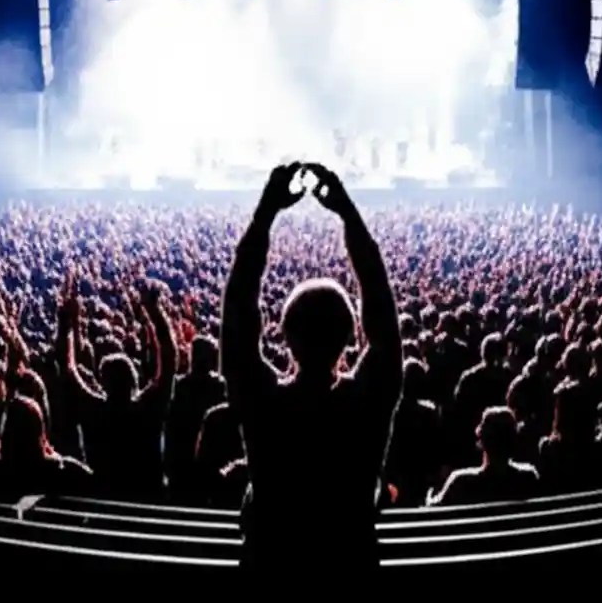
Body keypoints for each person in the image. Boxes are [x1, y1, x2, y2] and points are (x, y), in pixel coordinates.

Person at [222, 163, 403, 570]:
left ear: (283, 336)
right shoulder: (370, 400)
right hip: (351, 565)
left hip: (270, 566)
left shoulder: (261, 401)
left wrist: (265, 214)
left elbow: (237, 314)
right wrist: (348, 214)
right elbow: (382, 311)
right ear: (352, 335)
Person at [429, 406, 540, 506]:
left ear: (482, 439)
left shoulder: (462, 482)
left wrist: (431, 493)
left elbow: (434, 509)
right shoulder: (528, 477)